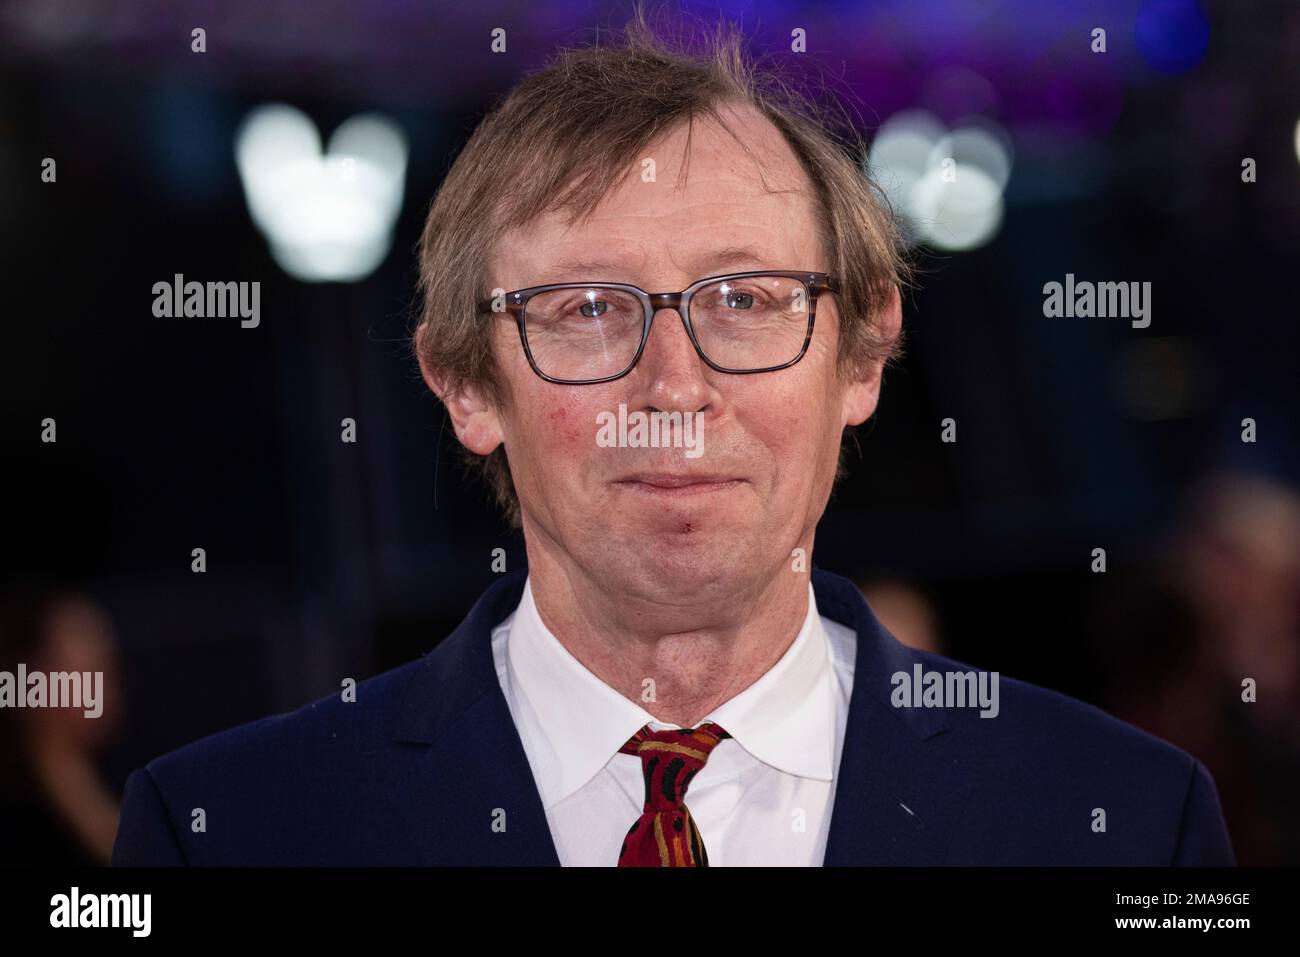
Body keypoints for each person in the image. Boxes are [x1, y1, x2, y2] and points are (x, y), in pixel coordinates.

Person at [112, 10, 1234, 867]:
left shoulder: (1128, 821)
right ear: (464, 384)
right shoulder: (229, 833)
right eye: (589, 310)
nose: (674, 387)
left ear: (862, 358)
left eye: (746, 300)